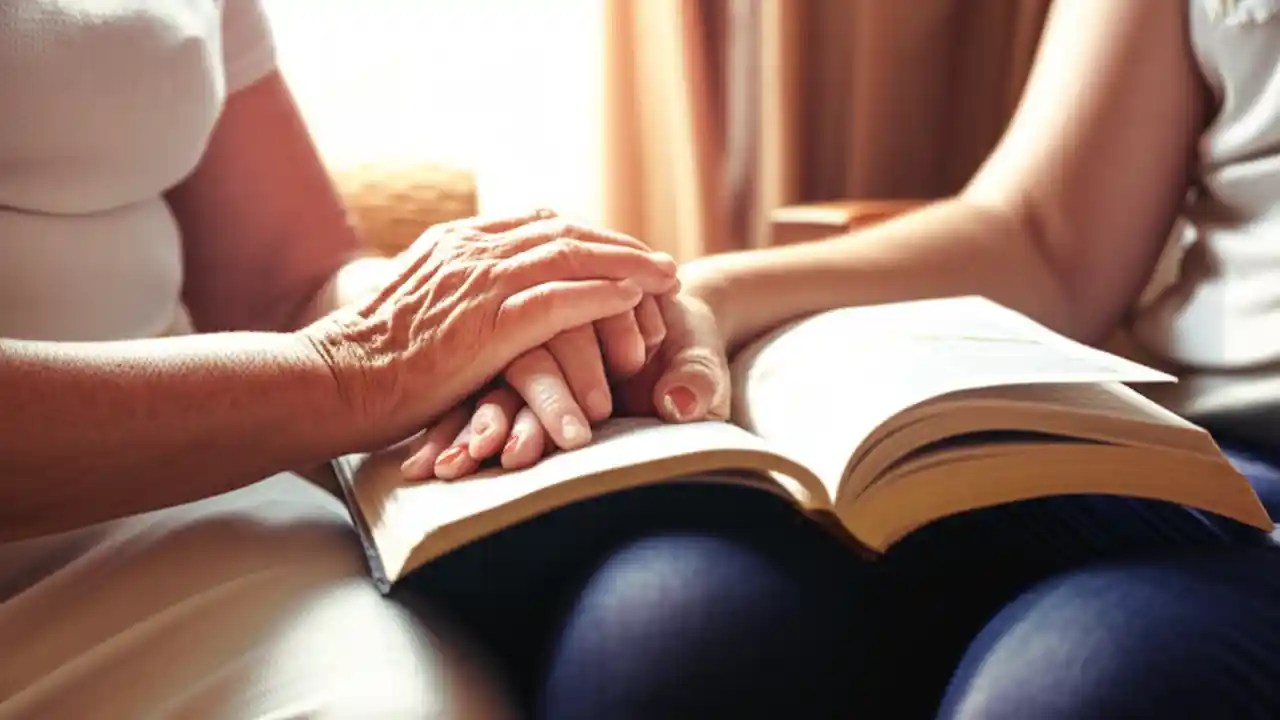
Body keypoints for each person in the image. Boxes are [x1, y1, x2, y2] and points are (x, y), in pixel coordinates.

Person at [425, 0, 1280, 717]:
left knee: (1078, 684)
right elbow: (1046, 243)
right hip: (1188, 457)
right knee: (671, 624)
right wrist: (700, 299)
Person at [0, 1, 683, 717]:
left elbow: (287, 285)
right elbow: (347, 354)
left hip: (177, 518)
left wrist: (497, 322)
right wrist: (355, 370)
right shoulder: (348, 371)